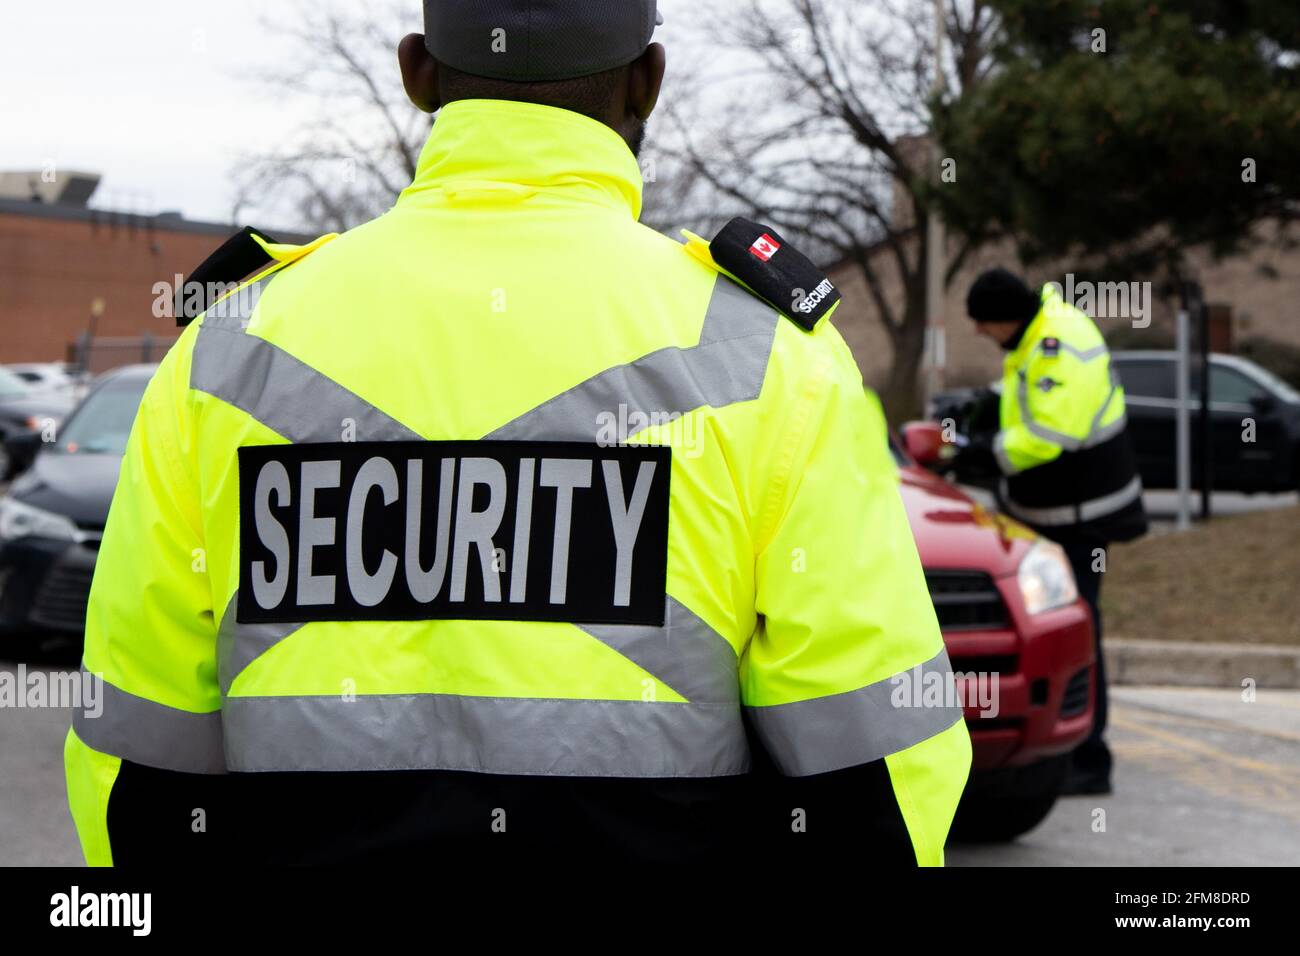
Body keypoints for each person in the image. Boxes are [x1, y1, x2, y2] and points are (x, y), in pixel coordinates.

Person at [65, 0, 970, 865]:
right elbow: (879, 776)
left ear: (416, 73)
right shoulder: (770, 357)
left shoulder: (227, 348)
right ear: (648, 81)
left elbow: (133, 763)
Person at [965, 268, 1148, 795]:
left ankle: (1090, 759)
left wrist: (988, 453)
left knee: (1075, 631)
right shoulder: (1039, 333)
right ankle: (1070, 750)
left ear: (1005, 317)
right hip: (1062, 508)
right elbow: (1030, 397)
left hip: (1082, 511)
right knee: (1069, 628)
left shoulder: (1056, 341)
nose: (980, 333)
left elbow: (1051, 434)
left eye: (982, 323)